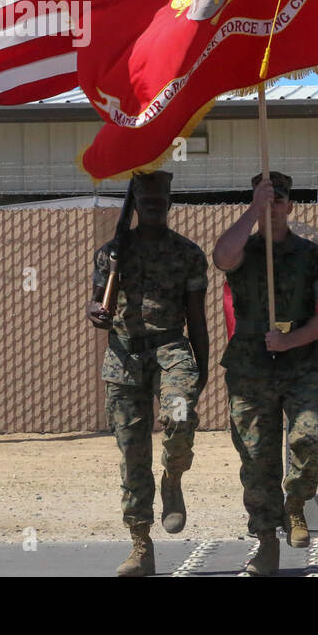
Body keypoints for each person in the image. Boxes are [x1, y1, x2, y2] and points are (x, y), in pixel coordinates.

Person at [213, 171, 318, 577]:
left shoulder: (314, 257)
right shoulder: (244, 248)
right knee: (256, 462)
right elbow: (221, 258)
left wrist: (292, 341)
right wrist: (253, 209)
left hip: (301, 365)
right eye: (265, 202)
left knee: (310, 437)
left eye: (278, 202)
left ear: (290, 206)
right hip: (251, 369)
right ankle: (267, 543)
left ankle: (297, 501)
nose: (272, 209)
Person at [86, 170, 209, 578]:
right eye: (147, 202)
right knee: (132, 454)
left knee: (178, 416)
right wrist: (95, 315)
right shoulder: (112, 253)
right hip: (124, 357)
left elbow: (197, 318)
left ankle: (173, 478)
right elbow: (96, 304)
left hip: (171, 349)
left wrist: (201, 372)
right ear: (136, 204)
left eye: (160, 201)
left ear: (169, 203)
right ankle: (141, 546)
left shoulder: (188, 253)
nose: (154, 208)